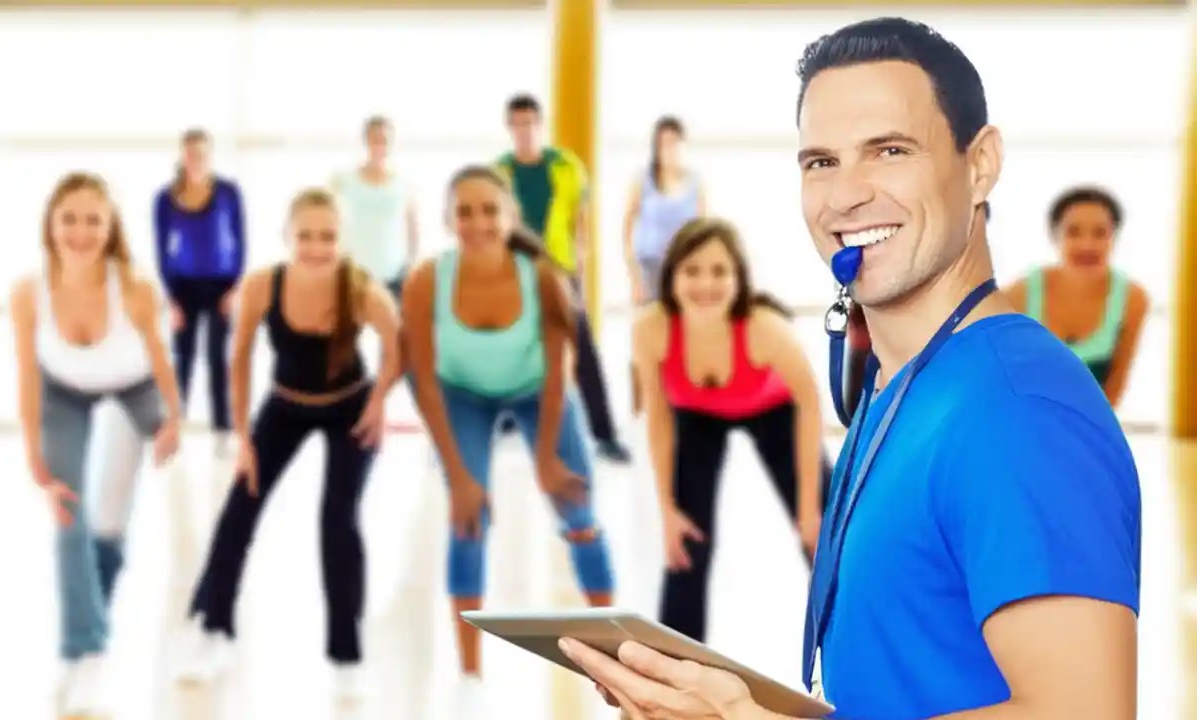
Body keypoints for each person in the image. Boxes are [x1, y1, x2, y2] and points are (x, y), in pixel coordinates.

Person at [561, 17, 1140, 720]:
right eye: (820, 162)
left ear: (980, 164)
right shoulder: (900, 385)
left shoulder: (1020, 409)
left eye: (889, 150)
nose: (845, 196)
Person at [402, 165, 616, 713]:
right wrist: (460, 476)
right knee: (468, 519)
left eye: (489, 210)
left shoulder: (542, 277)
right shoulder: (428, 278)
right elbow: (422, 377)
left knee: (578, 509)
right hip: (461, 395)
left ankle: (616, 656)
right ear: (449, 218)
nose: (477, 222)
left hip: (533, 390)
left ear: (509, 216)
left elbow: (554, 371)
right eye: (465, 211)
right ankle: (470, 674)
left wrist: (546, 458)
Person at [177, 189, 401, 703]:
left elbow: (399, 347)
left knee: (337, 520)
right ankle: (214, 632)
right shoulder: (261, 285)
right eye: (305, 236)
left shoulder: (363, 290)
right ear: (286, 236)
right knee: (239, 510)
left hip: (350, 408)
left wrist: (378, 402)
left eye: (328, 237)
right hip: (284, 406)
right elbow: (236, 361)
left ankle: (348, 657)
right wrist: (241, 438)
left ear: (343, 240)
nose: (317, 246)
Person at [9, 171, 182, 716]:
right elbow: (28, 373)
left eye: (93, 221)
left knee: (108, 525)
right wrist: (33, 450)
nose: (80, 232)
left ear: (111, 230)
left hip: (133, 387)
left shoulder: (134, 287)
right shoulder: (26, 292)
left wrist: (173, 418)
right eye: (69, 220)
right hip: (64, 392)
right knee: (69, 518)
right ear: (50, 225)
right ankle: (83, 650)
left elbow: (159, 358)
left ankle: (92, 625)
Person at [634, 217, 830, 645]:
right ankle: (672, 672)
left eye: (720, 271)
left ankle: (861, 651)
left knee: (830, 541)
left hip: (776, 411)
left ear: (739, 279)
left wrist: (810, 508)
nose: (706, 284)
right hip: (697, 417)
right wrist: (667, 509)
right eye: (692, 271)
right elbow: (659, 419)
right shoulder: (651, 330)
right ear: (671, 278)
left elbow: (809, 403)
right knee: (685, 546)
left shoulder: (764, 328)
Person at [494, 93, 632, 463]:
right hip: (513, 271)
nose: (524, 131)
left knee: (583, 349)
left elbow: (581, 227)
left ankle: (604, 434)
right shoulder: (498, 172)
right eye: (517, 124)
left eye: (530, 123)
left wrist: (580, 278)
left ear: (540, 125)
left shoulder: (566, 167)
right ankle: (505, 419)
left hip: (559, 271)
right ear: (509, 127)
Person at [1003, 186, 1149, 408]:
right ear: (1055, 237)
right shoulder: (1019, 294)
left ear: (1114, 238)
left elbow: (1114, 391)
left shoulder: (1133, 299)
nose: (1087, 245)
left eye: (1100, 233)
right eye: (1073, 232)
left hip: (1089, 426)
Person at [154, 127, 247, 449]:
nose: (196, 160)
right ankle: (175, 422)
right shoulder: (165, 199)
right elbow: (161, 251)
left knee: (218, 356)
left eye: (202, 154)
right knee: (184, 356)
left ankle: (223, 426)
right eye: (191, 154)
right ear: (182, 156)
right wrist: (171, 300)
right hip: (184, 287)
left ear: (210, 157)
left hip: (221, 286)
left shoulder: (229, 192)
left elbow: (240, 242)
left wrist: (235, 289)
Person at [331, 115, 420, 302]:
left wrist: (412, 265)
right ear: (365, 141)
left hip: (393, 274)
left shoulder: (403, 183)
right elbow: (329, 220)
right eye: (374, 139)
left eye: (384, 140)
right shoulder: (343, 180)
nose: (379, 145)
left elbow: (413, 227)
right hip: (354, 274)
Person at [623, 116, 707, 306]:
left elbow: (703, 230)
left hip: (684, 267)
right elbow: (627, 229)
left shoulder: (696, 183)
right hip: (649, 268)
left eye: (675, 142)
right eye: (664, 143)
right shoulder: (643, 180)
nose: (670, 149)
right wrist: (634, 276)